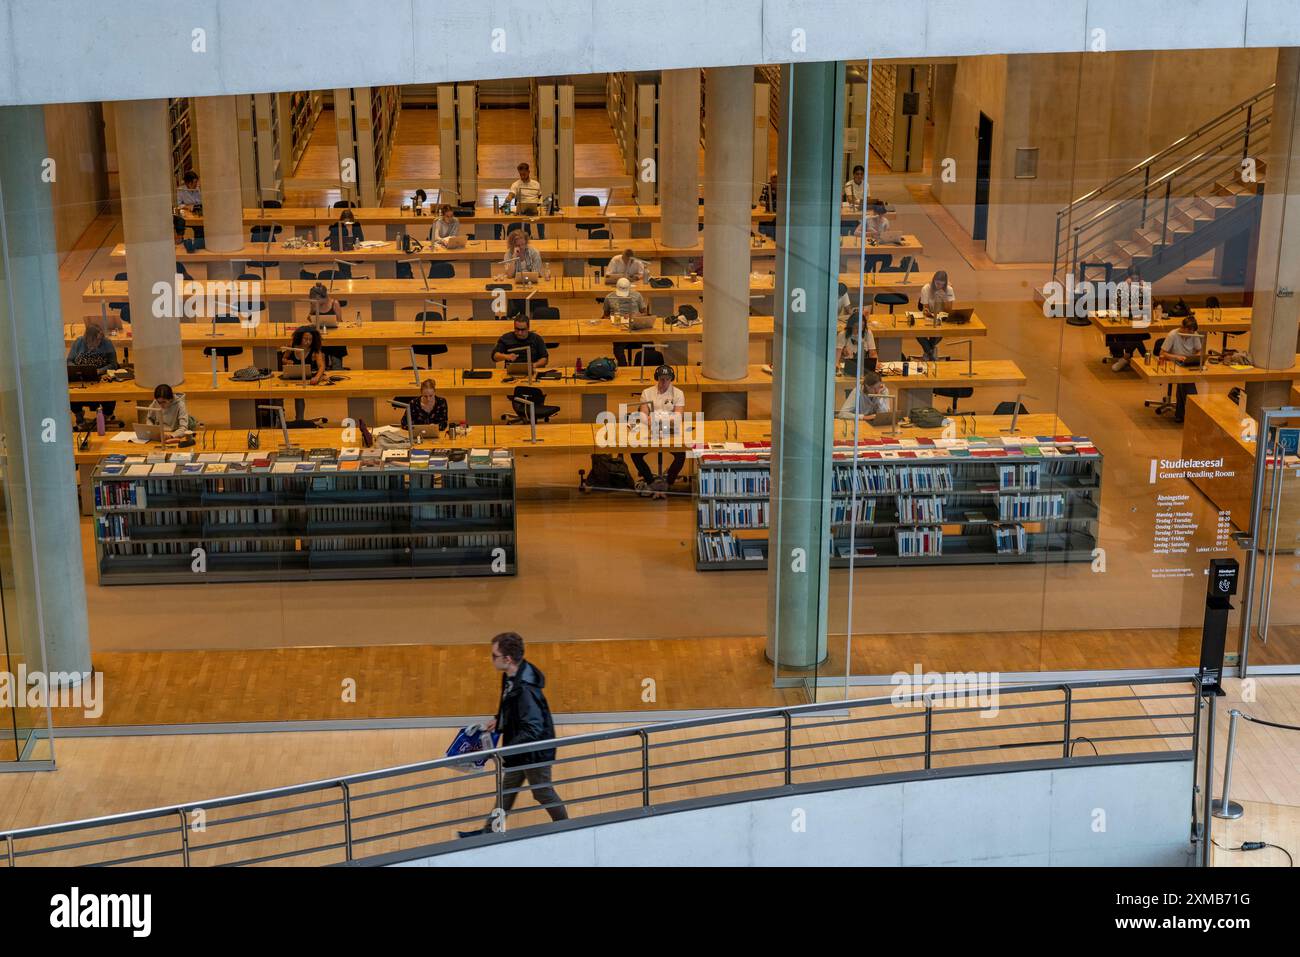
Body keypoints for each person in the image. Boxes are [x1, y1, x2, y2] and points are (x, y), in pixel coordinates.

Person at [459, 632, 567, 837]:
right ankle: (488, 832)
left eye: (494, 656)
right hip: (519, 748)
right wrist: (498, 720)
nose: (491, 660)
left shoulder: (525, 689)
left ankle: (566, 828)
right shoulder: (511, 677)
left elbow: (533, 728)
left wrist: (506, 749)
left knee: (542, 792)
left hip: (534, 753)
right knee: (506, 790)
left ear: (507, 659)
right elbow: (508, 705)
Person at [631, 365, 686, 499]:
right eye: (662, 379)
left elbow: (679, 416)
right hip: (651, 431)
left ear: (671, 379)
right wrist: (649, 419)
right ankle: (651, 483)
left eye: (667, 379)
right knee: (635, 454)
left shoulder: (678, 393)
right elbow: (643, 414)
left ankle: (668, 483)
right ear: (657, 378)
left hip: (670, 431)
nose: (664, 382)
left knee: (681, 455)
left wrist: (660, 418)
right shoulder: (647, 392)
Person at [67, 322, 118, 425]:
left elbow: (113, 364)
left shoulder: (107, 343)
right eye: (97, 339)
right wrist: (77, 370)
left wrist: (100, 371)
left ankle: (106, 414)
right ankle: (78, 414)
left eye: (100, 339)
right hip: (81, 378)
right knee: (72, 394)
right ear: (88, 338)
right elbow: (69, 360)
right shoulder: (79, 342)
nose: (99, 342)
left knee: (109, 393)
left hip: (101, 377)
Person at [1161, 315, 1206, 423]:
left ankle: (1180, 414)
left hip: (1188, 362)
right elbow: (1162, 353)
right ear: (1184, 328)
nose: (1190, 335)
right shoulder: (1173, 335)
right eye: (1189, 332)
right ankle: (1190, 412)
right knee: (1187, 384)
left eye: (1192, 333)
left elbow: (1199, 350)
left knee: (1185, 383)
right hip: (1174, 362)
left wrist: (1195, 357)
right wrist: (1177, 357)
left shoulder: (1193, 334)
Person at [1107, 269, 1152, 371]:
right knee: (1136, 334)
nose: (1135, 279)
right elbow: (1116, 302)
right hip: (1124, 316)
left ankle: (1126, 357)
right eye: (1133, 277)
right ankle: (1143, 357)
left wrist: (1143, 289)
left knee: (1136, 331)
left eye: (1137, 277)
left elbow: (1148, 302)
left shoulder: (1144, 285)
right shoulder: (1122, 286)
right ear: (1128, 277)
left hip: (1139, 316)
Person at [283, 325, 328, 422]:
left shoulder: (315, 349)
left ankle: (299, 420)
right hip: (291, 375)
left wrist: (316, 377)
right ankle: (279, 419)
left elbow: (321, 366)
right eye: (305, 339)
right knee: (278, 395)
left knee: (299, 395)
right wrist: (287, 361)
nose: (308, 341)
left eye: (310, 339)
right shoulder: (292, 345)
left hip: (305, 378)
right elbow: (284, 358)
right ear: (300, 338)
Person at [917, 270, 955, 361]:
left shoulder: (949, 290)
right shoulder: (926, 288)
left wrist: (944, 298)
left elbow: (949, 310)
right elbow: (925, 308)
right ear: (934, 281)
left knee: (939, 332)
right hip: (928, 317)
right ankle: (931, 353)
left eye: (942, 284)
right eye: (937, 284)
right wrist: (930, 313)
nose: (939, 286)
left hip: (941, 318)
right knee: (917, 333)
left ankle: (928, 352)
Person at [506, 162, 546, 238]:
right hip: (521, 211)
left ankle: (542, 238)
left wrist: (540, 204)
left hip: (534, 209)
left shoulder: (536, 184)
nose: (522, 176)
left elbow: (540, 196)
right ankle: (526, 236)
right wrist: (509, 198)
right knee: (523, 220)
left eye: (524, 174)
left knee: (541, 219)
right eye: (520, 174)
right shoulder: (516, 184)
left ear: (528, 172)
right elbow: (512, 193)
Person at [837, 308, 879, 373]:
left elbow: (873, 354)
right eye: (856, 327)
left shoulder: (867, 333)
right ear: (850, 325)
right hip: (847, 368)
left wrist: (875, 364)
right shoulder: (842, 335)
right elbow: (836, 357)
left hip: (864, 368)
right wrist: (837, 366)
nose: (859, 329)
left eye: (862, 327)